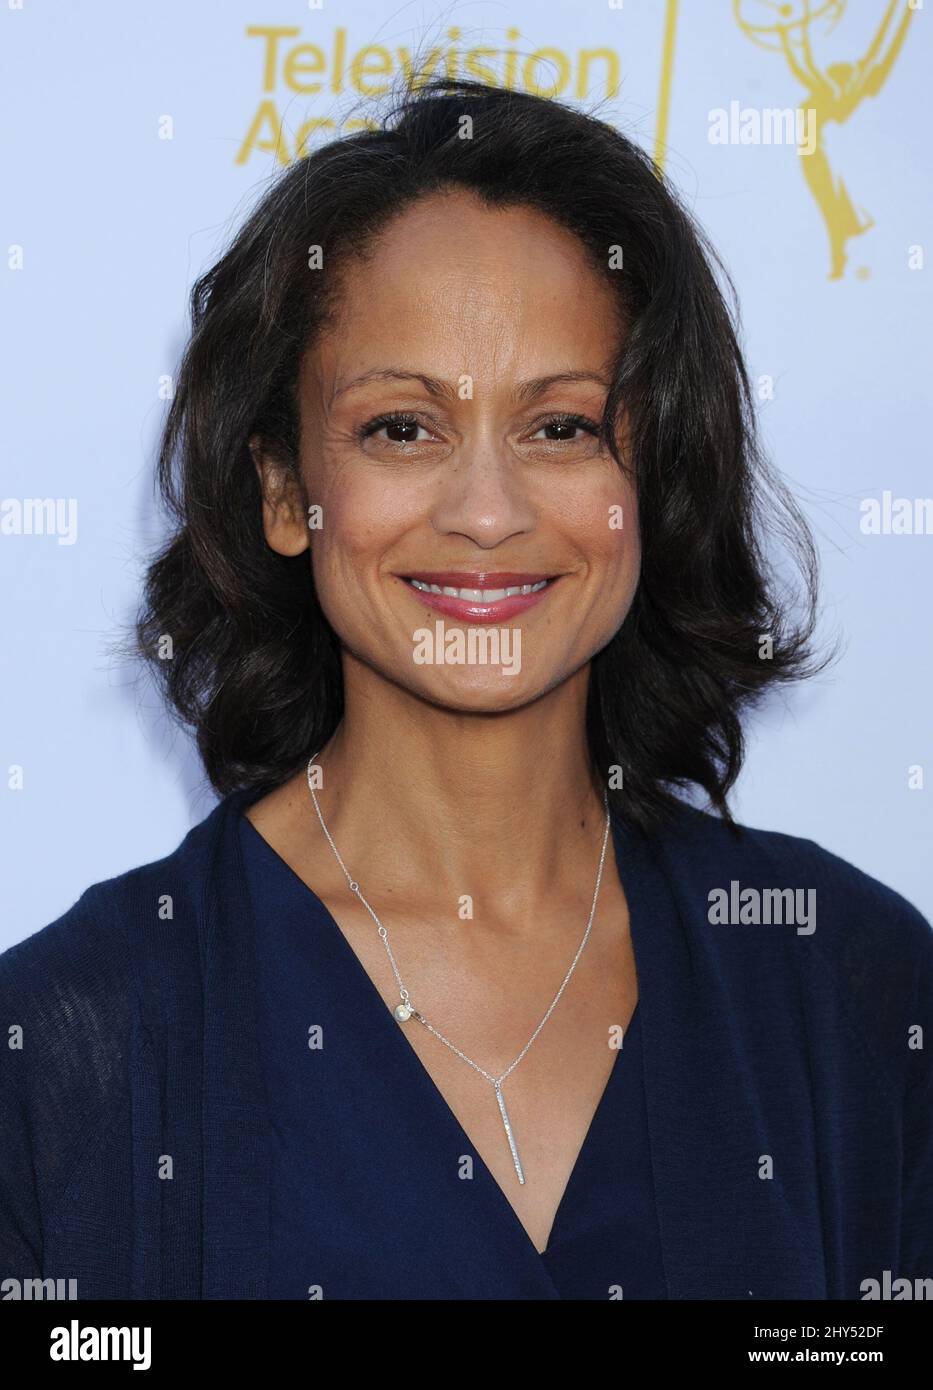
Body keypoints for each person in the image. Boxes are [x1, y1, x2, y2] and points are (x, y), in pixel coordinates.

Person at [1, 77, 930, 1302]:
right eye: (402, 427)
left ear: (652, 480)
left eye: (563, 427)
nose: (486, 512)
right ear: (284, 490)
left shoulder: (850, 984)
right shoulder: (72, 1046)